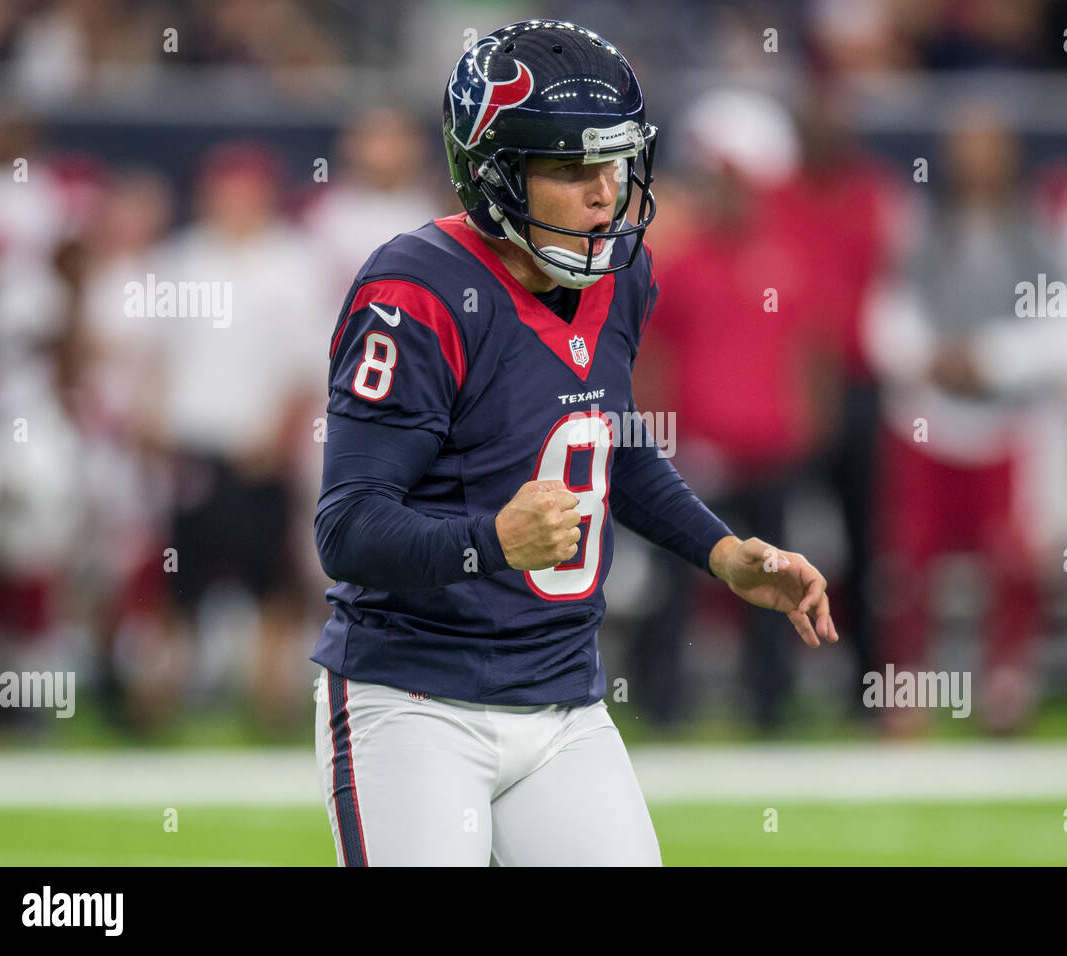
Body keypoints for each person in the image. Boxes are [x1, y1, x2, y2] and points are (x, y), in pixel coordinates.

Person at [310, 19, 836, 867]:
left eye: (615, 160)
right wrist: (492, 543)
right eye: (569, 166)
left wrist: (721, 551)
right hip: (414, 697)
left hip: (563, 700)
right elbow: (347, 532)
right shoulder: (415, 291)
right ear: (493, 176)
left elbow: (611, 445)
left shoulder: (621, 270)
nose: (604, 191)